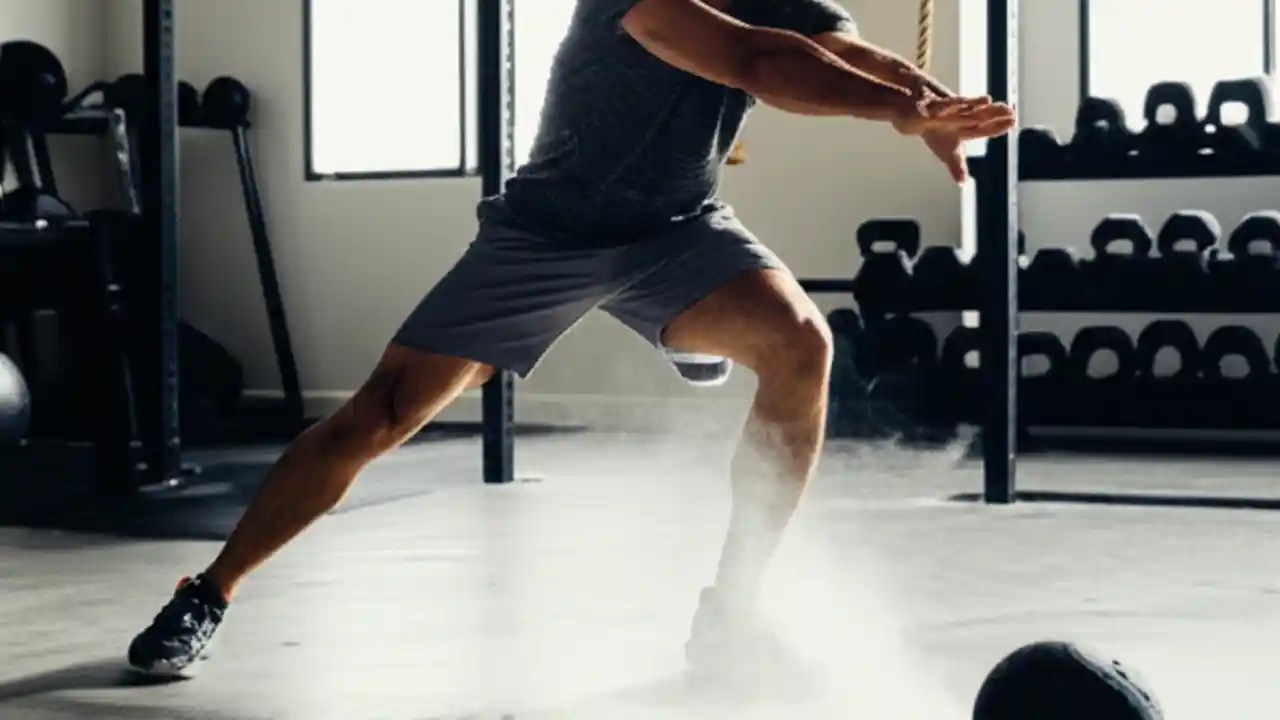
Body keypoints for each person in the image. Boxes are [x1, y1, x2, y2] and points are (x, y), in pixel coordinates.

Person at [127, 0, 1014, 679]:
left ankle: (731, 613)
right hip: (545, 237)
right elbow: (759, 59)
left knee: (801, 344)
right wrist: (898, 113)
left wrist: (927, 103)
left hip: (680, 231)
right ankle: (207, 592)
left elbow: (842, 50)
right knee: (381, 414)